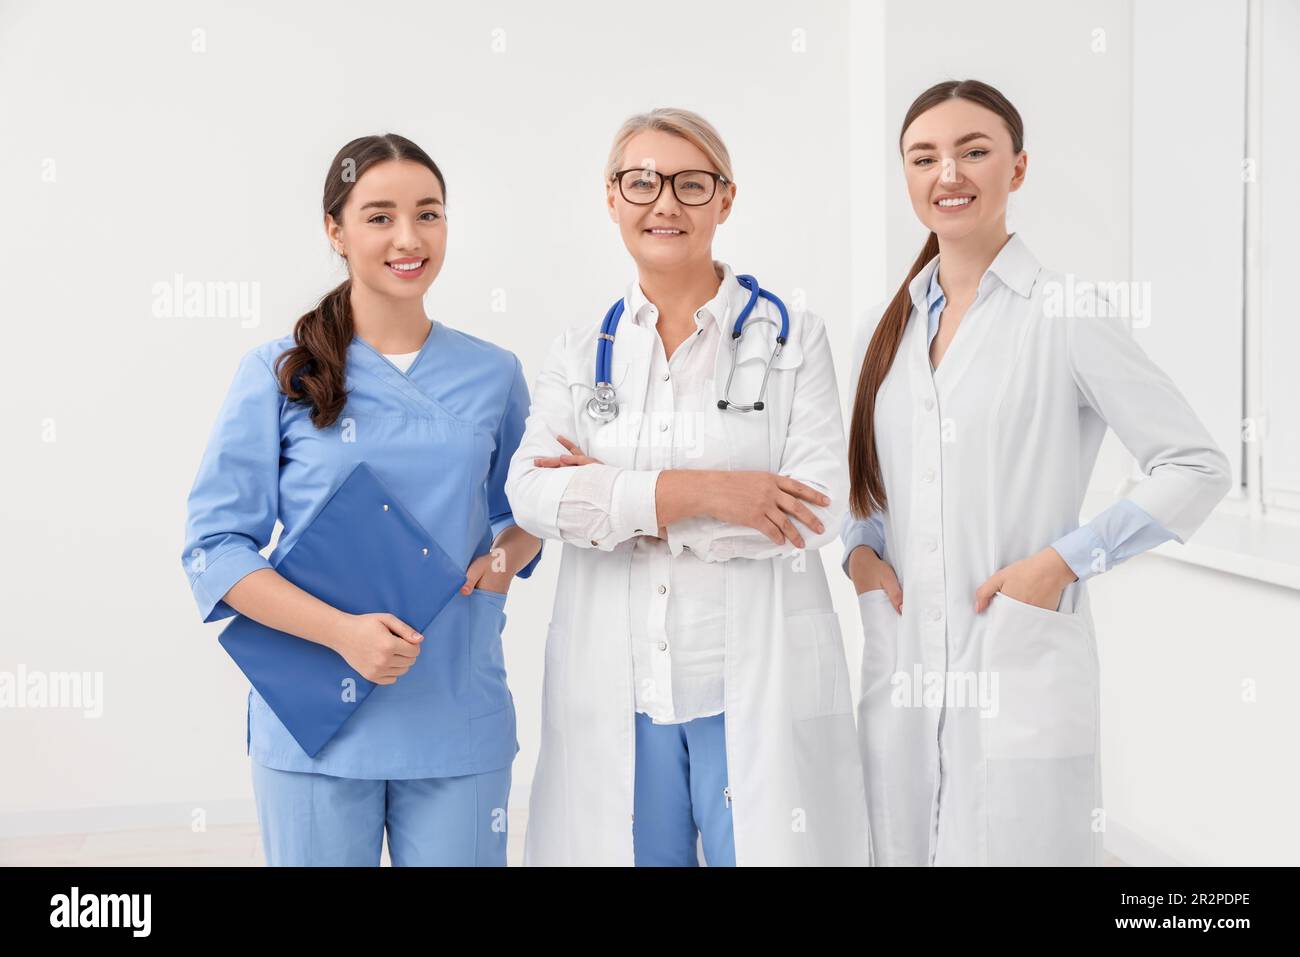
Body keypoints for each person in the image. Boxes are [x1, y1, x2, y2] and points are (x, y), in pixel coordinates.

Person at [842, 80, 1232, 866]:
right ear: (908, 178)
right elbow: (875, 489)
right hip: (908, 669)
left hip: (1016, 662)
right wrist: (859, 554)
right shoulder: (886, 329)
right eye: (925, 157)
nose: (948, 173)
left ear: (1016, 170)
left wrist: (1060, 564)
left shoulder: (1065, 312)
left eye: (973, 151)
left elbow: (1194, 464)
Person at [506, 108, 870, 866]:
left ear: (725, 199)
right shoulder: (582, 347)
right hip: (622, 689)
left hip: (743, 685)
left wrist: (614, 499)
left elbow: (817, 507)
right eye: (640, 181)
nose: (664, 202)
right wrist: (705, 491)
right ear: (612, 197)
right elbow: (532, 496)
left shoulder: (793, 338)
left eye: (689, 182)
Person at [181, 133, 541, 866]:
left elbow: (527, 512)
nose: (408, 238)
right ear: (335, 231)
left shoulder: (493, 373)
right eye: (379, 216)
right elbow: (215, 546)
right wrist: (342, 633)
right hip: (314, 722)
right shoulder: (277, 372)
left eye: (428, 214)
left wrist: (500, 562)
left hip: (453, 710)